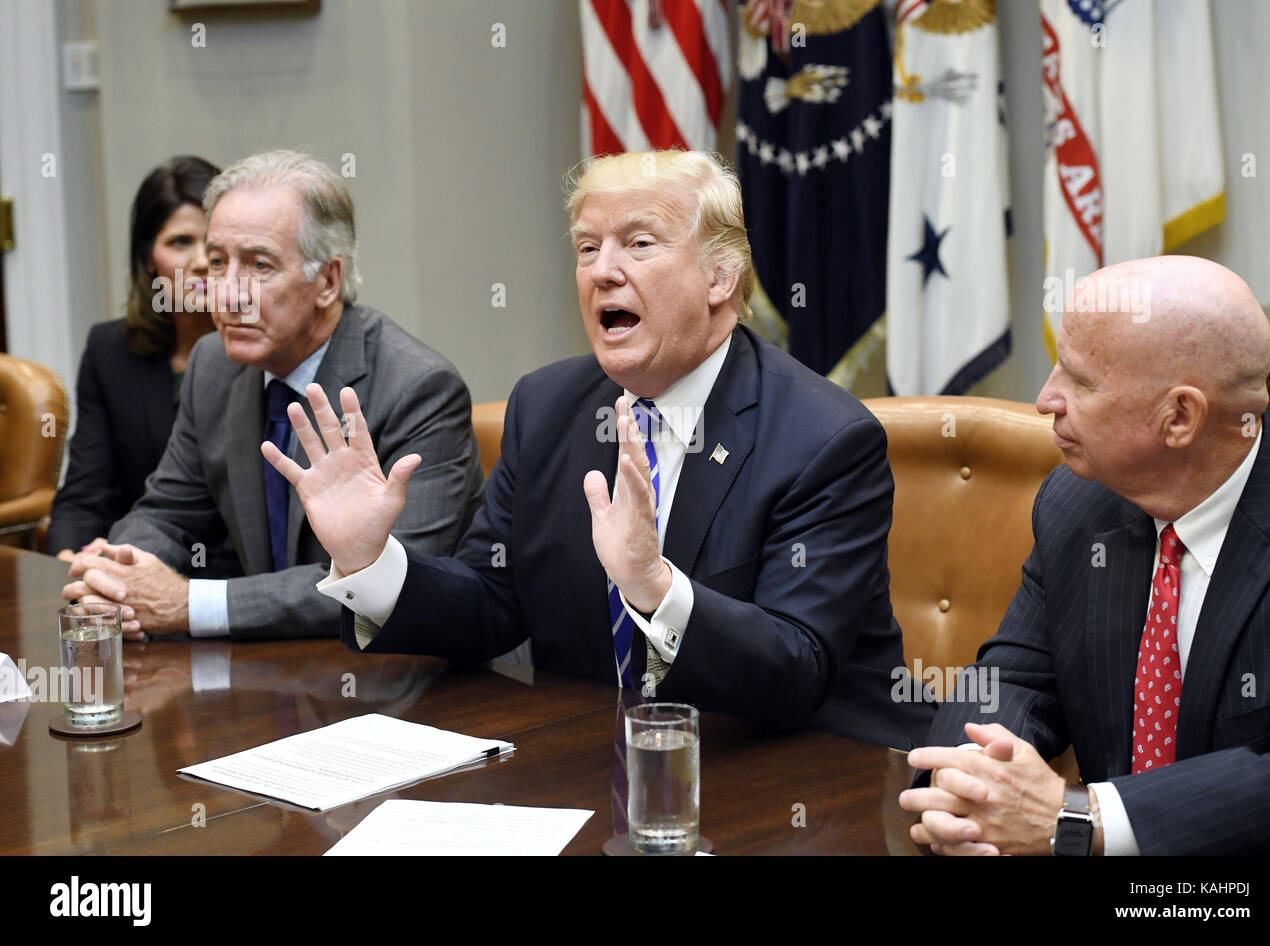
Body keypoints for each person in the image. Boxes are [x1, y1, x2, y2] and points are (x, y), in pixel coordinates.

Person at [262, 150, 932, 748]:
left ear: (721, 277)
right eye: (587, 249)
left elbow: (798, 667)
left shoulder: (823, 437)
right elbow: (494, 601)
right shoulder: (548, 407)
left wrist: (655, 588)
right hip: (604, 764)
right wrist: (370, 561)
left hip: (809, 775)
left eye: (639, 244)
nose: (603, 271)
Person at [900, 256, 1270, 855]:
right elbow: (1012, 678)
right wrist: (970, 787)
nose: (1044, 399)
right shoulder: (1078, 500)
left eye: (1080, 382)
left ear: (1180, 417)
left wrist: (1081, 819)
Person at [62, 150, 483, 641]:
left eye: (259, 266)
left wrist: (187, 603)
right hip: (269, 676)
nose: (226, 295)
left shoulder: (418, 388)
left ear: (327, 280)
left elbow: (388, 583)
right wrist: (118, 575)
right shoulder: (213, 365)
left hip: (407, 680)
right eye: (218, 262)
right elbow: (167, 512)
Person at [49, 156, 221, 558]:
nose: (200, 261)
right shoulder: (109, 351)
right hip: (132, 561)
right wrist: (70, 560)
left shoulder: (259, 349)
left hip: (232, 586)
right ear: (148, 259)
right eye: (180, 242)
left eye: (212, 243)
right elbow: (86, 492)